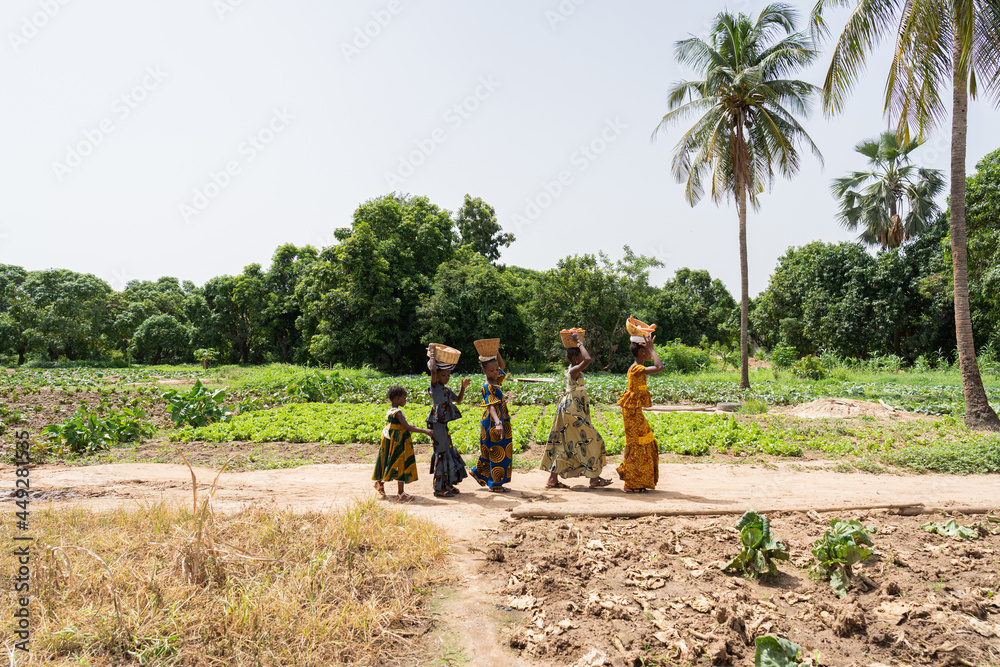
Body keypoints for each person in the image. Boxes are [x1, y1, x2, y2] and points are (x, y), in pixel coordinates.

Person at [540, 330, 612, 488]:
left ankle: (553, 479)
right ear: (576, 357)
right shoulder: (573, 370)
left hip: (572, 407)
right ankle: (594, 478)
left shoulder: (573, 368)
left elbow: (586, 358)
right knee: (594, 440)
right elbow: (588, 359)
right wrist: (579, 341)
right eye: (580, 353)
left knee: (565, 444)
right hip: (572, 409)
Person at [616, 335, 663, 492]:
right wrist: (652, 348)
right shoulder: (636, 368)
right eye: (648, 351)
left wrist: (649, 347)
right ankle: (631, 483)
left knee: (644, 440)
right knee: (638, 442)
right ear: (642, 352)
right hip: (631, 412)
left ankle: (637, 480)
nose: (650, 353)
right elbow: (659, 367)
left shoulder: (637, 367)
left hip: (634, 411)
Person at [373, 386, 432, 502]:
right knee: (400, 463)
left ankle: (379, 483)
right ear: (398, 398)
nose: (405, 400)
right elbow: (406, 427)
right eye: (404, 398)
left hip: (390, 440)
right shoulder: (398, 412)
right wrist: (425, 431)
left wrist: (407, 427)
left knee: (389, 461)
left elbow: (399, 425)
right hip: (398, 442)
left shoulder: (391, 410)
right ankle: (401, 493)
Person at [427, 344, 470, 498]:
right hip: (436, 424)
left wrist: (463, 387)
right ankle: (439, 488)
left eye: (448, 375)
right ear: (437, 376)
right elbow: (432, 370)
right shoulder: (435, 387)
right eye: (443, 375)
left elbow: (458, 400)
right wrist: (432, 354)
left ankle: (448, 484)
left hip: (443, 425)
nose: (446, 378)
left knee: (448, 451)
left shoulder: (446, 390)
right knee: (441, 452)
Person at [470, 351, 513, 493]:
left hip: (499, 419)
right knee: (497, 451)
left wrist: (496, 352)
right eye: (491, 370)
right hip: (493, 420)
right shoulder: (487, 386)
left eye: (496, 370)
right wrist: (498, 423)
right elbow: (491, 407)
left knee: (491, 449)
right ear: (484, 371)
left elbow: (502, 365)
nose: (495, 372)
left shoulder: (496, 380)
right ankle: (495, 485)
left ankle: (478, 472)